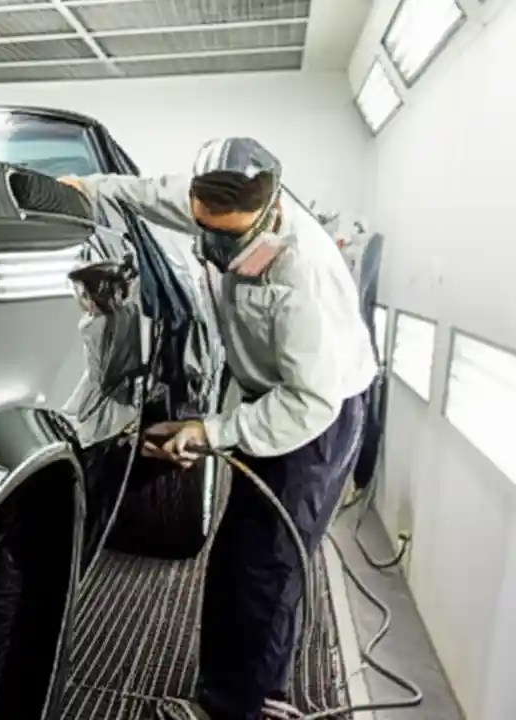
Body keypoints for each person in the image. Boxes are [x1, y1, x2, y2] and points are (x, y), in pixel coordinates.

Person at [60, 138, 377, 720]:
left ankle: (248, 705)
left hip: (319, 414)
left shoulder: (301, 274)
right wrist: (86, 188)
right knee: (237, 554)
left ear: (270, 209)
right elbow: (147, 194)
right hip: (270, 394)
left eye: (228, 236)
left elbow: (308, 399)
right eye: (204, 226)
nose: (213, 245)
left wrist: (210, 432)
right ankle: (230, 692)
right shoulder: (215, 202)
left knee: (267, 561)